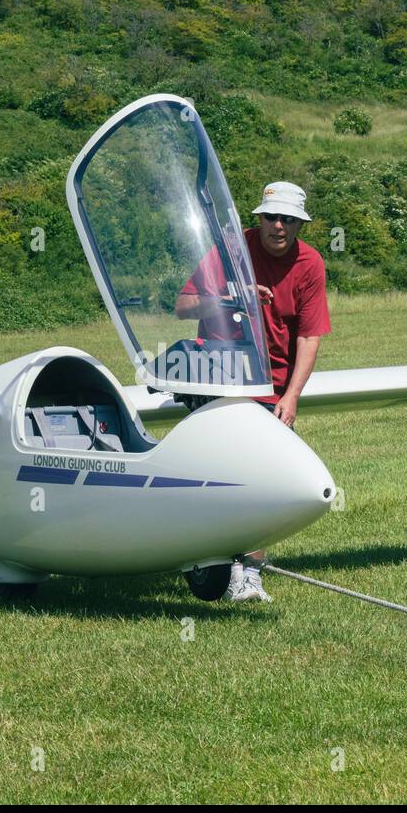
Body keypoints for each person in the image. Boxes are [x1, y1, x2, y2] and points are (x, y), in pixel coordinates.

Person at [175, 181, 331, 602]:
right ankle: (207, 561)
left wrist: (292, 395)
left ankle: (248, 575)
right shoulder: (229, 250)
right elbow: (183, 305)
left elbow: (310, 336)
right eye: (270, 217)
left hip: (272, 386)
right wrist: (231, 297)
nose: (278, 226)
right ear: (258, 218)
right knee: (215, 478)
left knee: (266, 481)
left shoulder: (311, 264)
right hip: (217, 379)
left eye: (288, 219)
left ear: (299, 224)